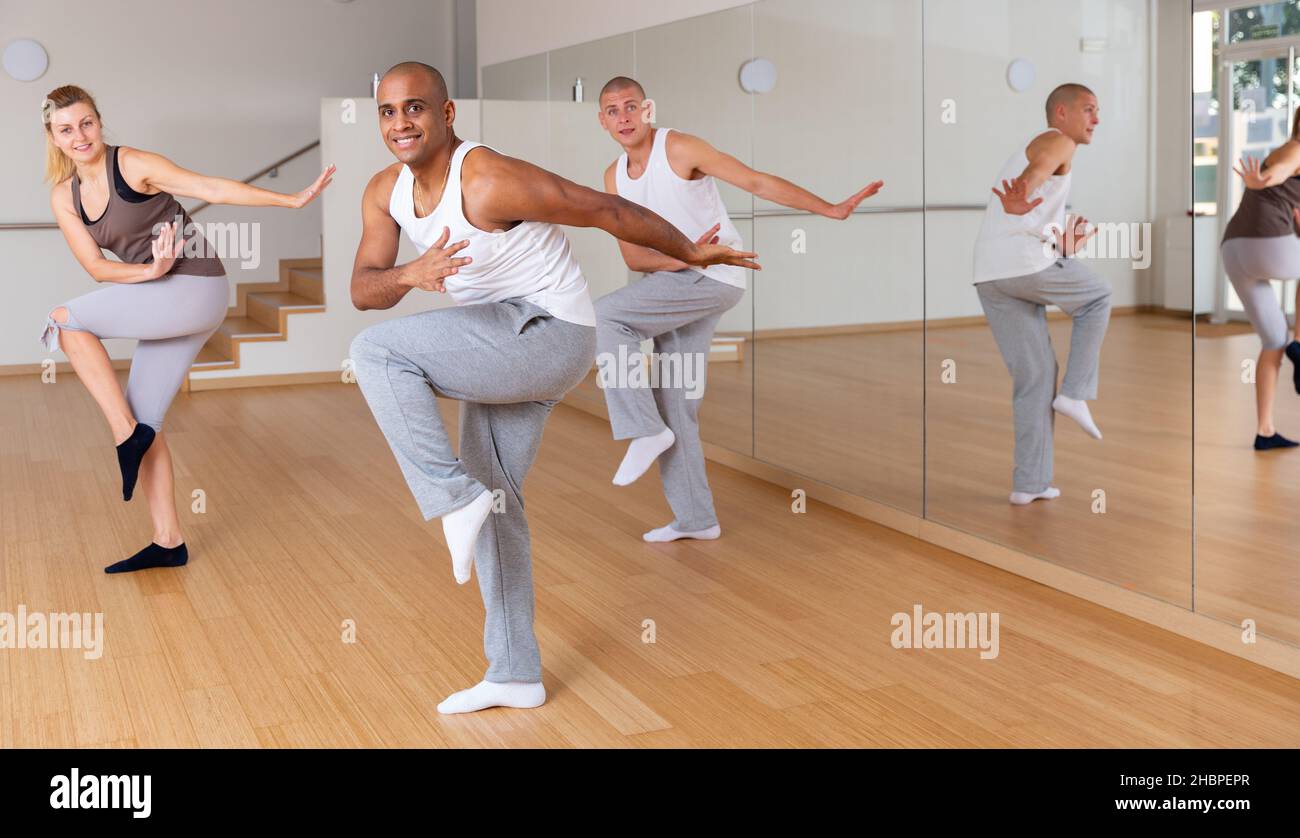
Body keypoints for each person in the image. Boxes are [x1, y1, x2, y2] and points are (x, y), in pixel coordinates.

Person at [347, 62, 757, 714]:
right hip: (500, 337)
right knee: (498, 501)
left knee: (375, 355)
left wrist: (688, 251)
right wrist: (410, 273)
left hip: (550, 334)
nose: (401, 123)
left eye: (416, 108)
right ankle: (515, 671)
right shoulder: (383, 192)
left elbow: (604, 208)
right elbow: (362, 289)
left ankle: (451, 498)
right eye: (389, 111)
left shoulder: (486, 177)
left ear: (447, 115)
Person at [40, 84, 333, 572]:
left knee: (64, 320)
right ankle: (168, 540)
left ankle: (123, 436)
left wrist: (291, 201)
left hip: (196, 286)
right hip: (161, 291)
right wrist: (149, 273)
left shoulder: (132, 165)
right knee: (145, 418)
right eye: (66, 129)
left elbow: (211, 187)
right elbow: (96, 267)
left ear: (98, 121)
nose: (80, 136)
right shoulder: (63, 197)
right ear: (53, 137)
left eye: (87, 123)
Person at [594, 75, 883, 542]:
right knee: (676, 404)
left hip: (716, 276)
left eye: (631, 106)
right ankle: (696, 518)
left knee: (605, 316)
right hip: (681, 278)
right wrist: (689, 253)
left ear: (647, 110)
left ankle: (641, 429)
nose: (623, 117)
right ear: (602, 121)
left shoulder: (680, 149)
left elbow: (756, 181)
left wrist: (829, 209)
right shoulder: (613, 177)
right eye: (613, 110)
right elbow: (633, 257)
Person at [972, 82, 1111, 505]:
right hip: (1023, 266)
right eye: (1088, 109)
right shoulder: (1059, 140)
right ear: (1062, 113)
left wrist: (1061, 246)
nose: (1096, 119)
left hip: (991, 274)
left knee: (1034, 377)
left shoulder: (1040, 146)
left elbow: (1034, 183)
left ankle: (1029, 483)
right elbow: (1039, 169)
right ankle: (1075, 393)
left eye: (1097, 111)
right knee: (1098, 296)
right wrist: (1025, 191)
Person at [1222, 128, 1300, 451]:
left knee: (1272, 341)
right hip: (1265, 244)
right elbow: (1279, 170)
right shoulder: (1296, 147)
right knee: (1286, 341)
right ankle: (1299, 343)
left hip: (1234, 251)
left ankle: (1265, 431)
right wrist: (1263, 180)